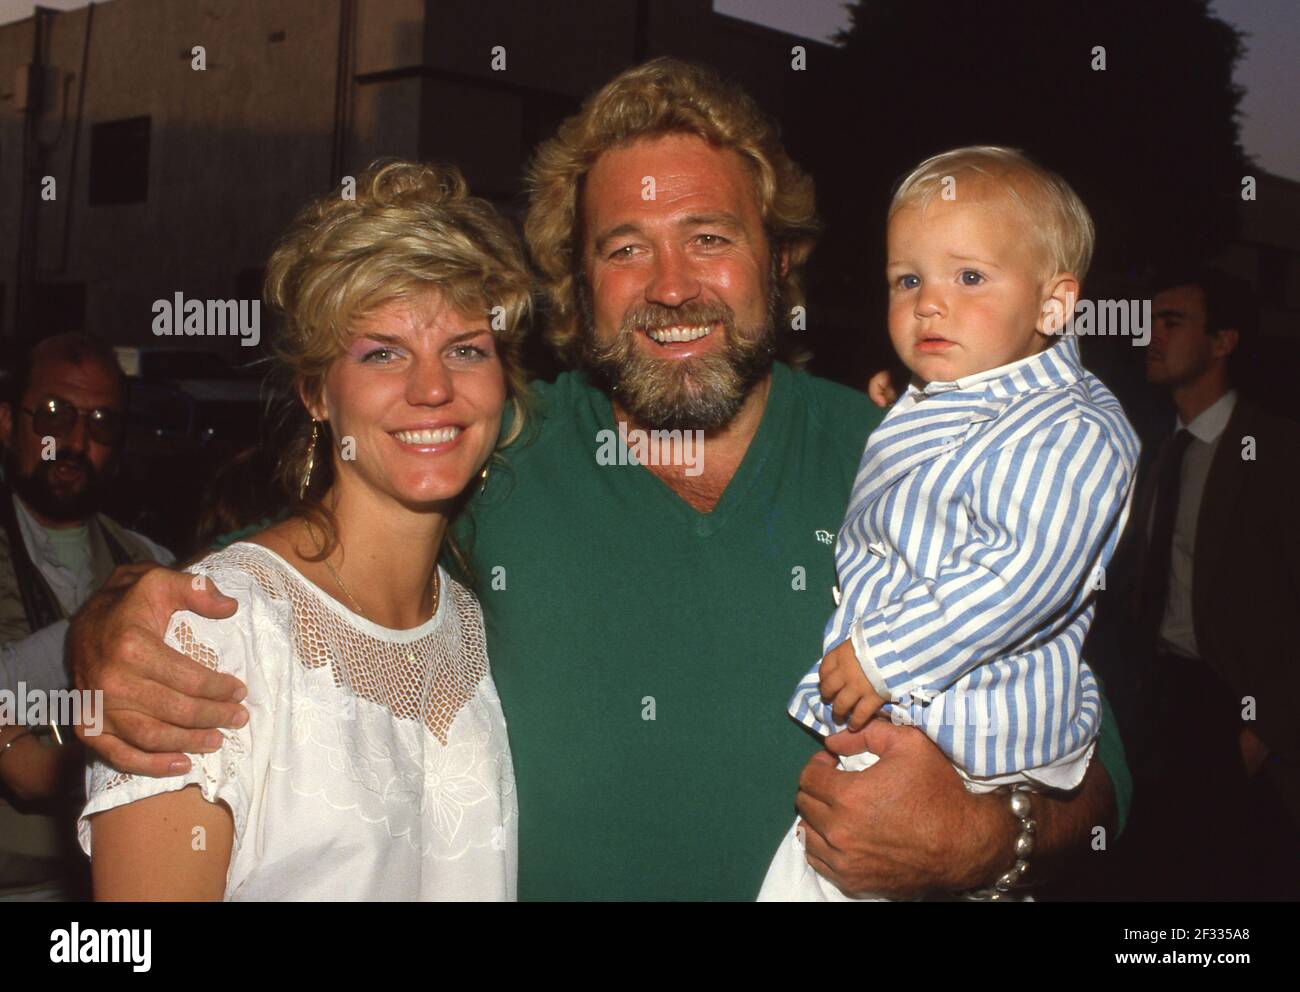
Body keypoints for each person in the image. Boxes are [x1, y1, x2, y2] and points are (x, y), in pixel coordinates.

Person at [70, 59, 1131, 900]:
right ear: (578, 283)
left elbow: (1099, 759)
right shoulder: (491, 456)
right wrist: (105, 623)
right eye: (626, 247)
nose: (672, 287)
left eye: (709, 237)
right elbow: (296, 587)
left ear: (780, 258)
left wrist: (989, 836)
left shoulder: (901, 451)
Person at [76, 161, 523, 900]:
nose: (433, 388)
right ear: (316, 391)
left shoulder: (475, 625)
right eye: (383, 352)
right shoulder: (211, 633)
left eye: (466, 348)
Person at [760, 147, 1139, 900]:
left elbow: (1021, 574)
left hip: (972, 735)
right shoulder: (961, 390)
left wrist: (885, 656)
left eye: (969, 277)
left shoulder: (1072, 428)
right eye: (908, 280)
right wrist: (908, 399)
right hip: (919, 726)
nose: (930, 302)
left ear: (1055, 304)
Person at [1095, 267, 1300, 899]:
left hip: (1230, 706)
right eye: (1149, 321)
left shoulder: (1275, 450)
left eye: (1172, 322)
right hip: (1153, 703)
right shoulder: (1158, 451)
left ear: (1222, 341)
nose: (1150, 336)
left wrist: (1264, 729)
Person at [0, 333, 173, 901]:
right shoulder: (142, 587)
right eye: (54, 414)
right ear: (7, 423)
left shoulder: (150, 566)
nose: (74, 441)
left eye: (100, 422)